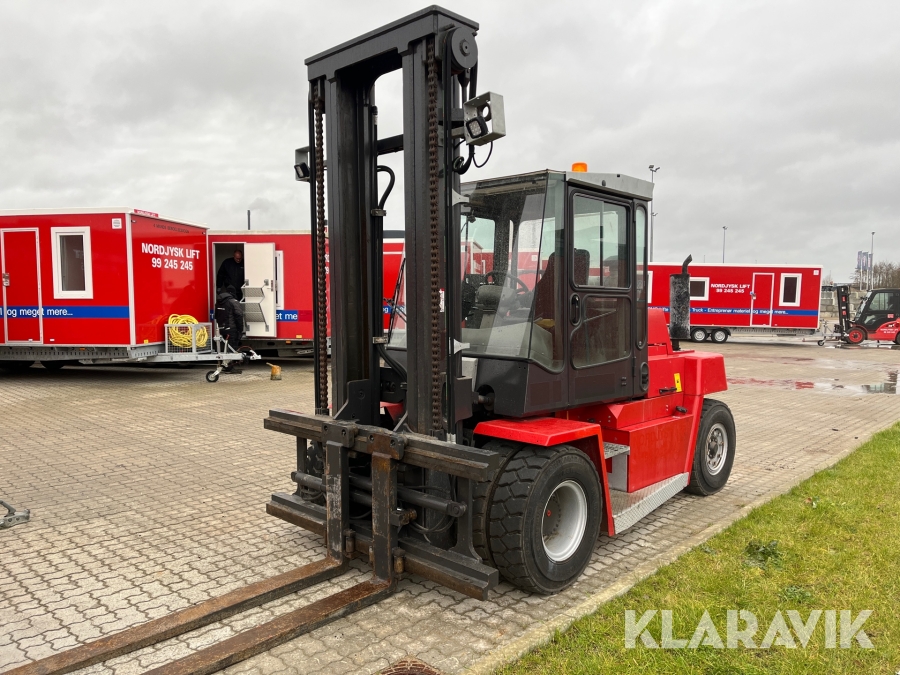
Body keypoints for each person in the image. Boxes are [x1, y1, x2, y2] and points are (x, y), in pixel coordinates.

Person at [215, 286, 244, 373]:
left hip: (221, 328)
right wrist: (240, 330)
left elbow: (216, 315)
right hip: (231, 329)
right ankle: (229, 367)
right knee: (232, 347)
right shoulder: (233, 302)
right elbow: (239, 315)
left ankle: (224, 365)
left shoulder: (219, 302)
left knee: (224, 348)